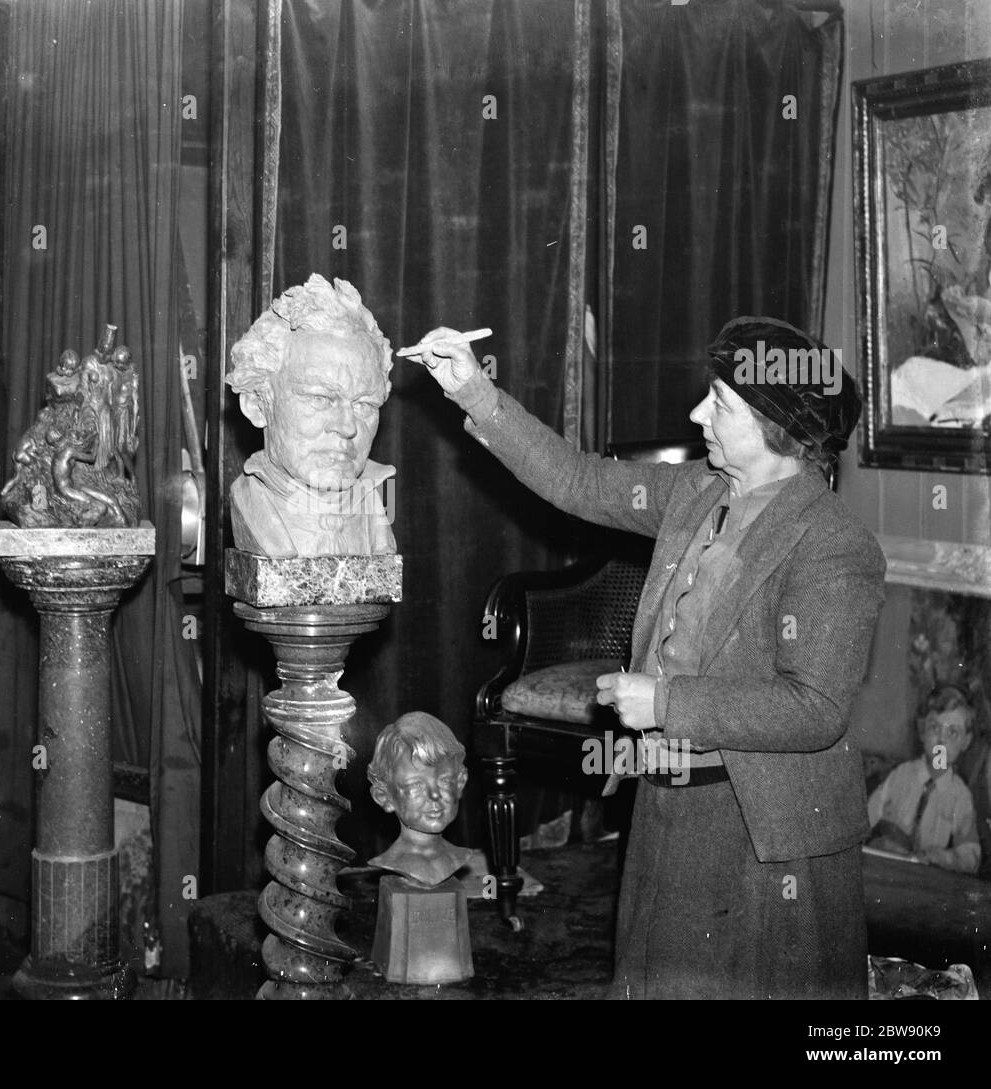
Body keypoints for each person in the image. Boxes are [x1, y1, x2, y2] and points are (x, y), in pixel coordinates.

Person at [410, 315, 886, 1000]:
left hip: (761, 832)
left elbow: (816, 710)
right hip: (668, 802)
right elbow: (579, 481)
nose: (696, 414)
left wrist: (664, 702)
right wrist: (471, 390)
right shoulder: (698, 491)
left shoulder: (833, 544)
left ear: (778, 427)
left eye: (720, 402)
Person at [225, 274, 396, 558]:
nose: (347, 427)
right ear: (258, 405)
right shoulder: (251, 504)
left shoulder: (376, 505)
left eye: (364, 405)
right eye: (320, 399)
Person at [867, 684, 982, 875]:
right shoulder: (901, 774)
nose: (941, 740)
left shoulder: (960, 795)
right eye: (934, 727)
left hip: (925, 879)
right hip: (886, 870)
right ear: (922, 731)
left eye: (953, 732)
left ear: (966, 741)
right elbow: (867, 817)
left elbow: (971, 856)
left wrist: (942, 857)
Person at [367, 712, 473, 887]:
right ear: (384, 797)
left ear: (460, 783)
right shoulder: (391, 862)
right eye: (416, 785)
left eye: (445, 780)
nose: (434, 795)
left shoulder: (460, 857)